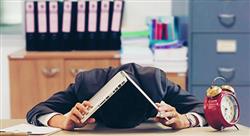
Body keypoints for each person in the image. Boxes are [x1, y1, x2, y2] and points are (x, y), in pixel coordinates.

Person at [27, 63, 206, 130]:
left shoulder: (155, 83)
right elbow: (37, 111)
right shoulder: (86, 85)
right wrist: (63, 121)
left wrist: (183, 120)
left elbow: (203, 109)